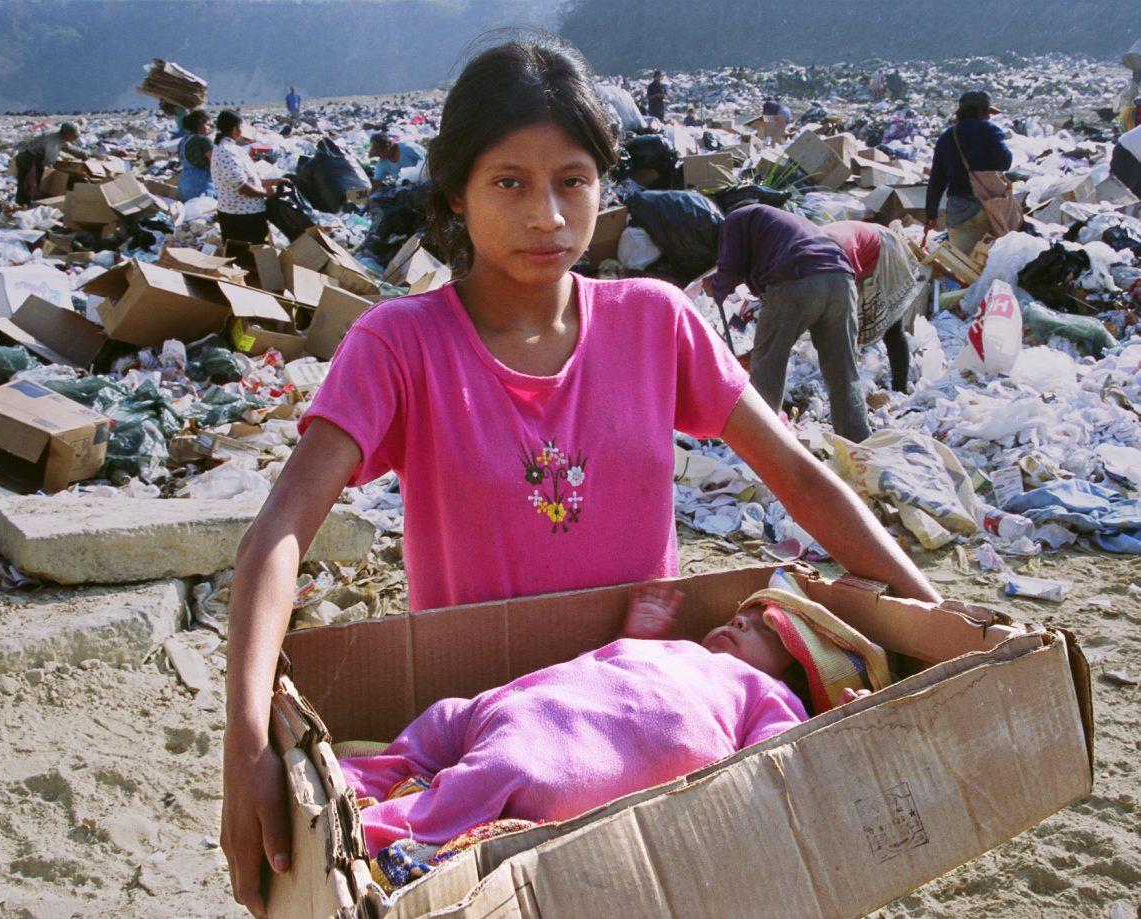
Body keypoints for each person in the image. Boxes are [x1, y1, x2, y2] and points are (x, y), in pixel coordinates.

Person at [220, 37, 940, 917]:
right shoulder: (400, 346)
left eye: (572, 180)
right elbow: (280, 532)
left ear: (604, 189)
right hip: (485, 746)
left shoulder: (655, 323)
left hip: (654, 747)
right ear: (457, 193)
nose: (548, 217)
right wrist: (245, 746)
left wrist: (935, 618)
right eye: (509, 182)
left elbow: (800, 478)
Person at [340, 570, 884, 859]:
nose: (744, 623)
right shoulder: (680, 653)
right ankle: (365, 778)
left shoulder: (766, 695)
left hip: (563, 758)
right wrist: (638, 638)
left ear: (797, 676)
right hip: (523, 707)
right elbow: (613, 681)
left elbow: (781, 758)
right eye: (744, 615)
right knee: (445, 717)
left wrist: (838, 730)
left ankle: (368, 831)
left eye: (769, 632)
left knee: (496, 775)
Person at [704, 204, 871, 442]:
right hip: (841, 280)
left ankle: (761, 442)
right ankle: (859, 441)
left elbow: (729, 270)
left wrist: (716, 287)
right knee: (843, 368)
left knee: (768, 366)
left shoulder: (734, 220)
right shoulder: (781, 223)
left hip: (795, 280)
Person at [822, 221, 921, 393]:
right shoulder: (812, 250)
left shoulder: (841, 254)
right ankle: (847, 386)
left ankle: (900, 388)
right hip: (861, 253)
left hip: (884, 250)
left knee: (892, 327)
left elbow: (845, 296)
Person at [925, 90, 1013, 255]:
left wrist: (931, 213)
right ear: (980, 111)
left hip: (958, 209)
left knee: (963, 266)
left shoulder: (947, 137)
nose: (989, 117)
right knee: (990, 263)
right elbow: (1005, 162)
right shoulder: (990, 130)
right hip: (988, 205)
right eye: (988, 113)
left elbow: (937, 179)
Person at [210, 109, 286, 245]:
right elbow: (241, 187)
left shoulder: (231, 149)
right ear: (235, 129)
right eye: (241, 126)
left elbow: (249, 180)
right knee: (251, 258)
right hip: (242, 216)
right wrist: (267, 192)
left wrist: (273, 181)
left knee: (245, 259)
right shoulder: (227, 151)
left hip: (240, 213)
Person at [13, 122, 87, 205]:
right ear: (67, 134)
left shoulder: (59, 136)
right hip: (30, 159)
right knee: (35, 184)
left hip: (23, 155)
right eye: (74, 135)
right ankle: (31, 205)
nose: (76, 138)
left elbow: (68, 147)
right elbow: (49, 161)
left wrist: (82, 154)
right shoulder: (55, 140)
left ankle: (21, 205)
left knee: (23, 183)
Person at [176, 110, 215, 202]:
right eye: (207, 124)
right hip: (201, 185)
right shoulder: (203, 140)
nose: (208, 128)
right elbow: (214, 163)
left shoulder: (183, 141)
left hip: (183, 184)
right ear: (200, 125)